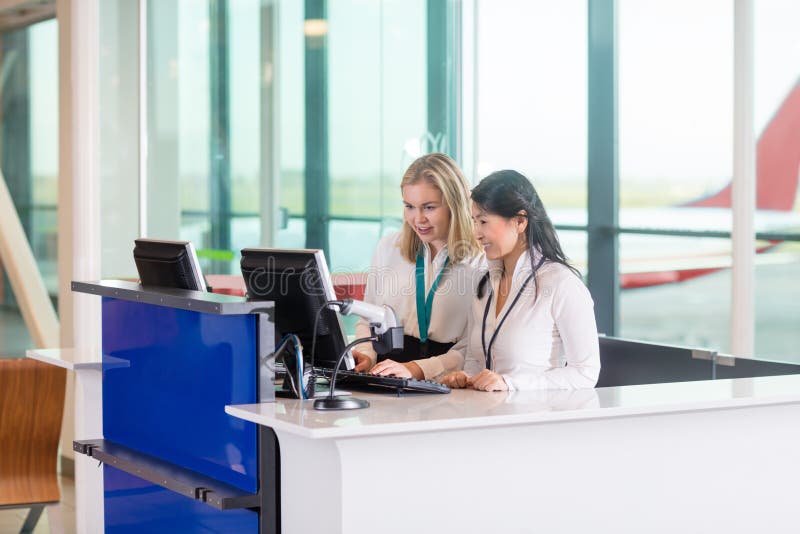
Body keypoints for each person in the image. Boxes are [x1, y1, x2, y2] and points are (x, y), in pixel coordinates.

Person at [441, 170, 600, 391]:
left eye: (484, 221)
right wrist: (466, 377)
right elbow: (475, 361)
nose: (476, 233)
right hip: (482, 416)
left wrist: (511, 384)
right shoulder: (483, 283)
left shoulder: (561, 284)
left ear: (519, 221)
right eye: (473, 221)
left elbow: (586, 373)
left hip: (532, 419)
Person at [352, 153, 484, 380]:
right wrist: (365, 354)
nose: (417, 218)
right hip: (385, 374)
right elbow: (368, 318)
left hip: (442, 380)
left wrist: (416, 369)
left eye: (429, 207)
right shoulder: (389, 247)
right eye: (409, 206)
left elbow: (471, 348)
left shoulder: (480, 262)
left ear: (454, 205)